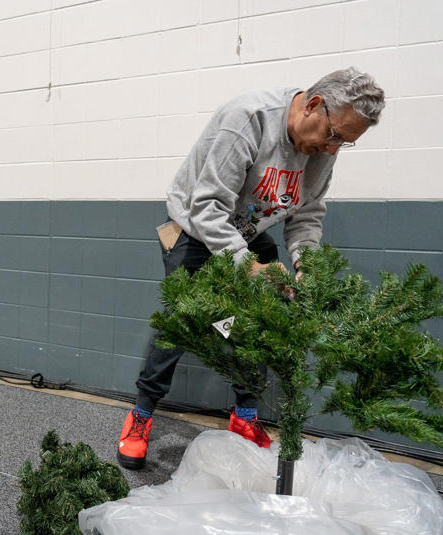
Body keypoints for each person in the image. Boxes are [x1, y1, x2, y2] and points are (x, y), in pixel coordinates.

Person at [117, 67, 385, 470]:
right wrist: (248, 268)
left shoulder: (321, 150)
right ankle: (141, 413)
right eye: (334, 136)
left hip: (247, 228)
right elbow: (206, 209)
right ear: (313, 105)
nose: (333, 149)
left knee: (258, 322)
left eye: (344, 144)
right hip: (193, 228)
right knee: (183, 321)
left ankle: (244, 417)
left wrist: (304, 265)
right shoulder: (248, 120)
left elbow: (307, 214)